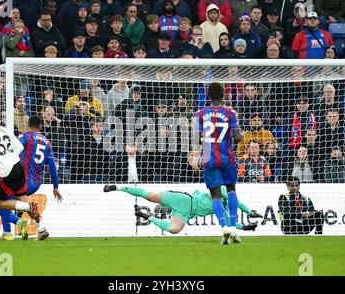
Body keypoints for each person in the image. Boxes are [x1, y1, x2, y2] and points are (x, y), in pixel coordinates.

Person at [0, 115, 63, 240]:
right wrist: (56, 186)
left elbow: (13, 151)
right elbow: (52, 166)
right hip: (36, 183)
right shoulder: (47, 142)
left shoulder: (25, 137)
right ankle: (35, 229)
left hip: (21, 180)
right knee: (16, 203)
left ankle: (16, 225)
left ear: (28, 124)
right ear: (41, 126)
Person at [193, 82, 242, 244]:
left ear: (208, 95)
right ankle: (234, 228)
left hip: (210, 159)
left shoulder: (200, 113)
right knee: (231, 190)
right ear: (223, 95)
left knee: (215, 196)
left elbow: (197, 140)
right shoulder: (230, 112)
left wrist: (207, 139)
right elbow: (237, 138)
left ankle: (224, 228)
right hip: (228, 158)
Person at [104, 184, 262, 234]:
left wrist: (246, 227)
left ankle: (149, 216)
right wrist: (249, 212)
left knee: (174, 229)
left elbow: (230, 223)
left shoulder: (222, 209)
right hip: (185, 200)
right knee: (150, 196)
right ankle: (116, 187)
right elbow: (239, 202)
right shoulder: (219, 190)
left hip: (186, 213)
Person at [0, 107, 37, 240]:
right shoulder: (3, 129)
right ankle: (39, 228)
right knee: (11, 200)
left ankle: (18, 221)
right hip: (18, 166)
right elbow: (20, 147)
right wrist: (10, 157)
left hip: (6, 171)